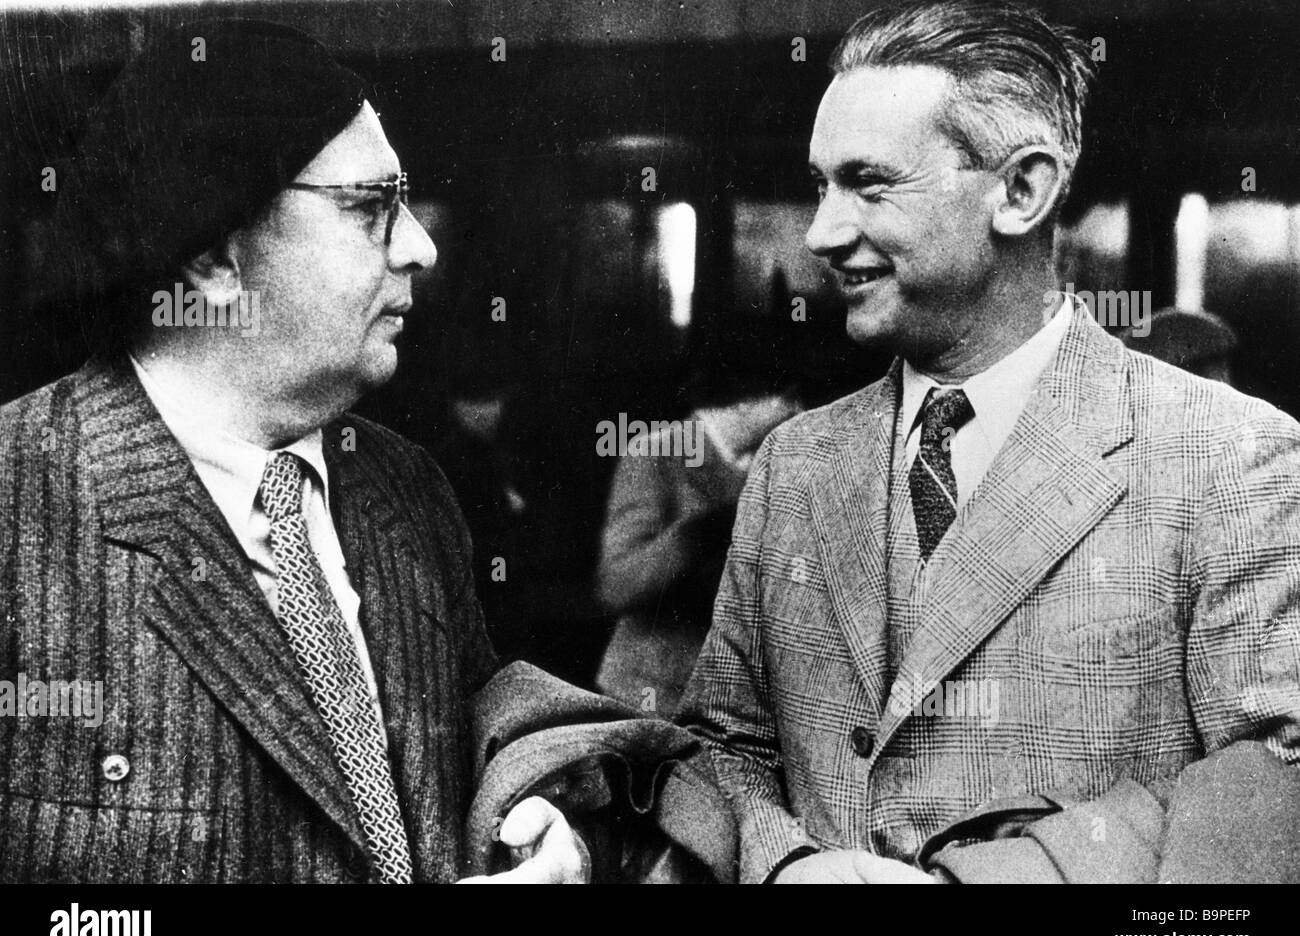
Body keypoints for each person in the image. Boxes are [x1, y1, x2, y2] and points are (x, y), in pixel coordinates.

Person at [678, 0, 1300, 884]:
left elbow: (1275, 788)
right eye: (820, 185)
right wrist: (784, 864)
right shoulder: (795, 465)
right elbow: (721, 746)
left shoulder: (1234, 458)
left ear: (1022, 191)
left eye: (869, 182)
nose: (821, 232)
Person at [0, 19, 587, 884]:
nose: (421, 245)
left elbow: (481, 732)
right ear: (211, 259)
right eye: (369, 205)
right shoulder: (18, 503)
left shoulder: (406, 489)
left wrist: (539, 824)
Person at [593, 344, 801, 717]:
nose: (801, 415)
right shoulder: (655, 454)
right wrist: (702, 532)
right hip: (653, 696)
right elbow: (618, 583)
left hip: (744, 704)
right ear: (746, 402)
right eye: (791, 401)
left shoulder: (784, 464)